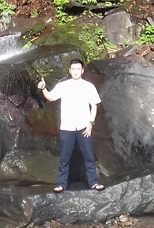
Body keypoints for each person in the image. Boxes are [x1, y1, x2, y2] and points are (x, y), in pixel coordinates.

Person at [37, 58, 105, 193]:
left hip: (84, 127)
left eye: (78, 69)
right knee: (64, 158)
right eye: (73, 69)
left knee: (89, 157)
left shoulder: (88, 86)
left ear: (82, 70)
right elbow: (50, 98)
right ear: (69, 70)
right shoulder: (63, 86)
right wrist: (43, 88)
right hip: (67, 127)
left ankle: (93, 183)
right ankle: (61, 184)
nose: (75, 71)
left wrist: (91, 124)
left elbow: (94, 105)